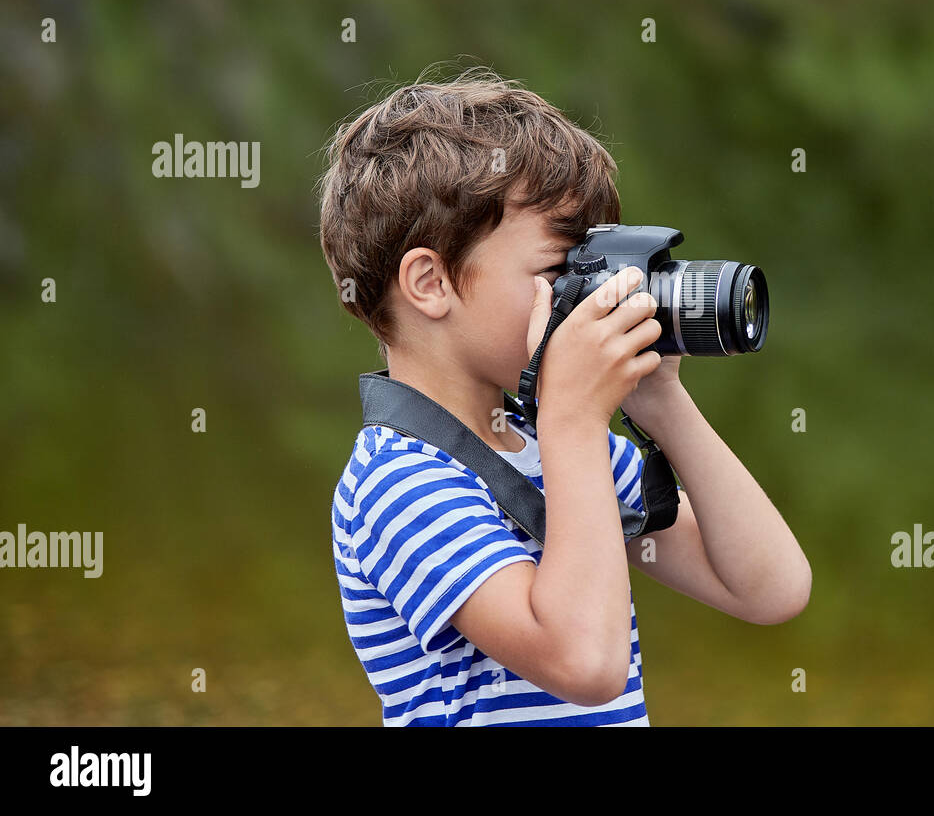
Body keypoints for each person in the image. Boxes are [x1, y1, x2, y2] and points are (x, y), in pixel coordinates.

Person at [315, 67, 811, 725]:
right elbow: (585, 664)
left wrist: (659, 403)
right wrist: (573, 419)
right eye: (558, 271)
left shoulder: (559, 444)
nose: (592, 294)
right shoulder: (398, 482)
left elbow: (770, 588)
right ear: (431, 283)